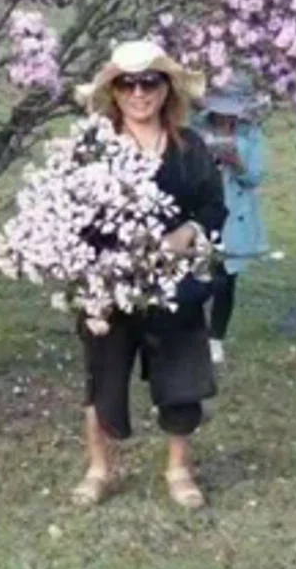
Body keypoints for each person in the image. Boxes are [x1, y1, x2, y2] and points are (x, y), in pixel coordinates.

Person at [71, 41, 225, 510]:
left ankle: (179, 468)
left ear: (166, 88)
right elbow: (71, 216)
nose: (139, 93)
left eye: (150, 82)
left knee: (181, 375)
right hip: (109, 284)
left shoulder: (189, 146)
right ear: (113, 91)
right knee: (104, 375)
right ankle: (99, 468)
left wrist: (190, 231)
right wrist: (89, 277)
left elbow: (214, 205)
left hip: (176, 284)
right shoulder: (93, 147)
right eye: (127, 83)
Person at [195, 74, 270, 364]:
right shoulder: (197, 127)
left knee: (226, 280)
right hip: (202, 210)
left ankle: (216, 337)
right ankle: (194, 332)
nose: (225, 117)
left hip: (235, 215)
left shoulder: (251, 133)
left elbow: (255, 177)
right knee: (199, 275)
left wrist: (237, 163)